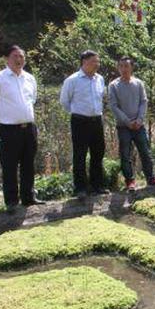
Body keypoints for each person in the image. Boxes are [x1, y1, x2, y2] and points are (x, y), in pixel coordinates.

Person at [0, 45, 43, 213]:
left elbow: (33, 100)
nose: (19, 60)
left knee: (28, 164)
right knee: (9, 166)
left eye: (22, 57)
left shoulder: (30, 78)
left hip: (29, 128)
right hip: (9, 129)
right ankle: (11, 201)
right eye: (15, 56)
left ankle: (28, 197)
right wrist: (3, 118)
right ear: (7, 59)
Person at [108, 57, 155, 191]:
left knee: (145, 152)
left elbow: (144, 102)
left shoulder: (138, 83)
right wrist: (127, 121)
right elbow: (114, 106)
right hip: (123, 126)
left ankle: (151, 178)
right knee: (125, 154)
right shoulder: (113, 85)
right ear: (118, 68)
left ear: (131, 67)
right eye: (121, 66)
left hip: (139, 125)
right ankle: (130, 181)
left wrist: (139, 120)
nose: (123, 69)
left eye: (126, 66)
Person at [60, 50, 108, 199]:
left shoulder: (99, 79)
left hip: (97, 120)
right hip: (80, 121)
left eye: (98, 61)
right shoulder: (73, 80)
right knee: (80, 155)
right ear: (84, 62)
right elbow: (64, 101)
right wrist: (77, 113)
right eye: (94, 61)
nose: (97, 64)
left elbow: (102, 98)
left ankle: (97, 185)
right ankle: (80, 188)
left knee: (98, 153)